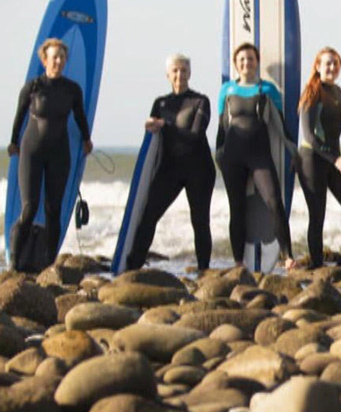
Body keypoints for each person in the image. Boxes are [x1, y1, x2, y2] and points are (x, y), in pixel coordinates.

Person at [125, 54, 216, 272]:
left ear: (190, 74)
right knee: (148, 215)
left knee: (200, 222)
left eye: (184, 70)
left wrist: (163, 125)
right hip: (170, 169)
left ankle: (204, 270)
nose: (179, 75)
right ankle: (132, 268)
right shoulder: (160, 103)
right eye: (175, 71)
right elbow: (153, 142)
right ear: (168, 75)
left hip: (199, 170)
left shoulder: (200, 101)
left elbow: (195, 135)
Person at [8, 38, 92, 271]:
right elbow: (19, 116)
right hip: (32, 150)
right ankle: (14, 263)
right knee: (29, 208)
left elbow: (80, 116)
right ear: (45, 59)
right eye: (54, 57)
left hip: (59, 152)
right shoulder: (33, 87)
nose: (58, 61)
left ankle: (49, 263)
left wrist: (86, 139)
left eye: (62, 57)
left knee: (53, 209)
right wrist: (13, 142)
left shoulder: (72, 89)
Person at [216, 42, 295, 270]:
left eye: (250, 58)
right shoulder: (227, 90)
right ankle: (239, 261)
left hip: (260, 155)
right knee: (237, 208)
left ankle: (287, 256)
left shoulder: (267, 89)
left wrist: (293, 152)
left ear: (256, 62)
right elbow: (222, 127)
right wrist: (218, 154)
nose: (246, 63)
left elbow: (280, 125)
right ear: (236, 64)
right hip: (233, 157)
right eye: (242, 59)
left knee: (274, 201)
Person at [296, 47, 341, 268]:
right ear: (317, 67)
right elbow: (309, 135)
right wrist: (335, 159)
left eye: (335, 63)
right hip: (312, 160)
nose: (332, 67)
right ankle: (317, 265)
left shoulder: (337, 92)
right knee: (317, 214)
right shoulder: (311, 92)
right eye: (327, 63)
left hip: (333, 160)